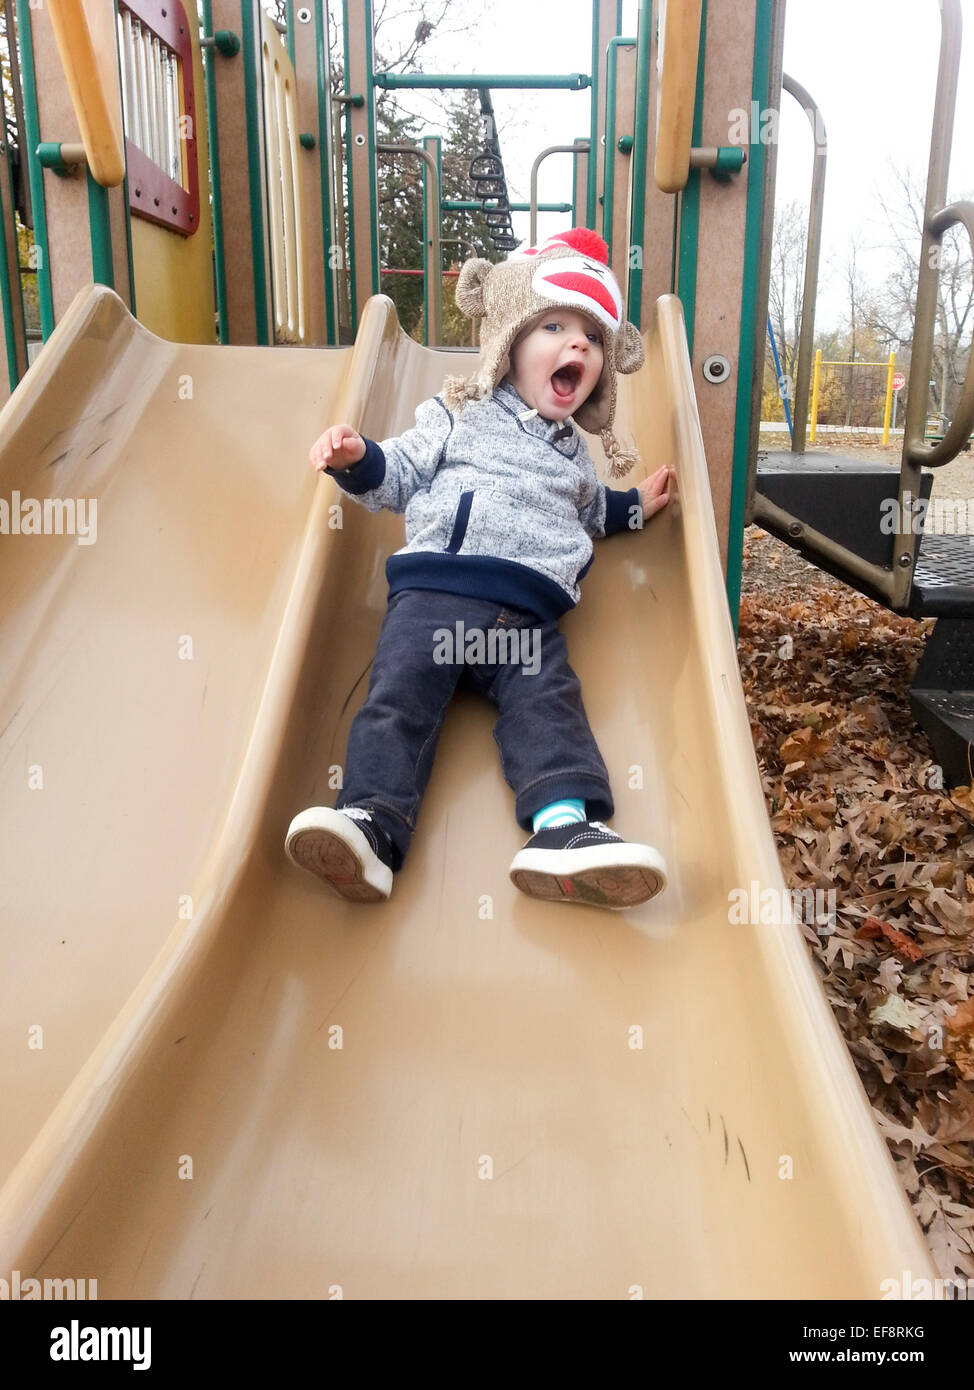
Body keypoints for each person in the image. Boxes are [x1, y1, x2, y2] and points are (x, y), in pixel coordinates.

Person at [285, 227, 674, 910]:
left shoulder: (574, 457)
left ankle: (563, 831)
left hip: (522, 615)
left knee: (548, 708)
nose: (577, 343)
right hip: (436, 594)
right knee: (396, 700)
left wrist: (636, 505)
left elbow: (593, 512)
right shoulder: (457, 412)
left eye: (589, 334)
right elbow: (401, 473)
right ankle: (370, 827)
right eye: (554, 324)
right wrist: (358, 459)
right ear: (510, 341)